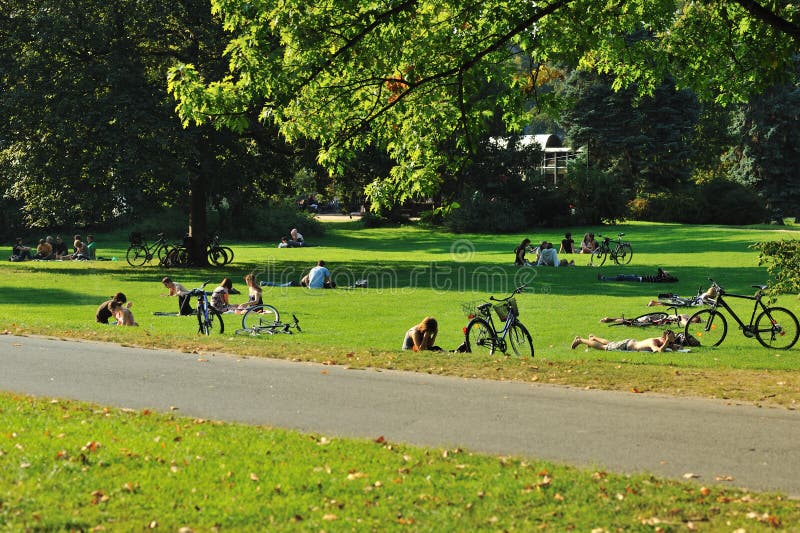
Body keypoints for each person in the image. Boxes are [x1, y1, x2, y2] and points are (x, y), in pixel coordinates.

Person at [570, 330, 677, 352]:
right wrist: (667, 342)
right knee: (604, 348)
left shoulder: (661, 340)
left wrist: (671, 344)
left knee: (610, 343)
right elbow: (659, 351)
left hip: (629, 343)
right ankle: (580, 340)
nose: (671, 343)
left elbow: (674, 348)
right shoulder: (653, 341)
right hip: (626, 346)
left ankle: (593, 337)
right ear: (664, 339)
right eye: (670, 340)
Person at [599, 313, 700, 327]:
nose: (694, 321)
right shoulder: (685, 316)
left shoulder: (688, 318)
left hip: (661, 319)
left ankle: (611, 319)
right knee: (637, 322)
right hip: (659, 318)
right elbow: (684, 322)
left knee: (634, 321)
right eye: (695, 320)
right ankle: (611, 320)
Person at [598, 268, 678, 283]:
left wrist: (664, 272)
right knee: (621, 276)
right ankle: (605, 278)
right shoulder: (659, 278)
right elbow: (659, 270)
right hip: (638, 277)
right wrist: (664, 272)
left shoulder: (661, 279)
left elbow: (660, 269)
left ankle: (604, 278)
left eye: (667, 274)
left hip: (638, 279)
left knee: (621, 277)